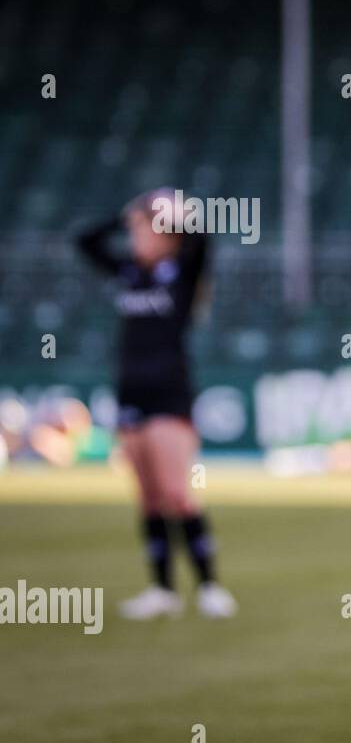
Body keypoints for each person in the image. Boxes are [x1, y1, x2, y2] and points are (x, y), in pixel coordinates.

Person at [75, 189, 237, 620]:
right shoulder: (129, 273)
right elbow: (84, 241)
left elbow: (203, 241)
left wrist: (175, 211)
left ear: (166, 235)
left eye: (143, 230)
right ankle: (162, 590)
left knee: (177, 494)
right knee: (148, 499)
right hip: (130, 394)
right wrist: (124, 211)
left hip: (170, 394)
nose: (135, 238)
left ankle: (209, 586)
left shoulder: (181, 273)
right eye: (133, 231)